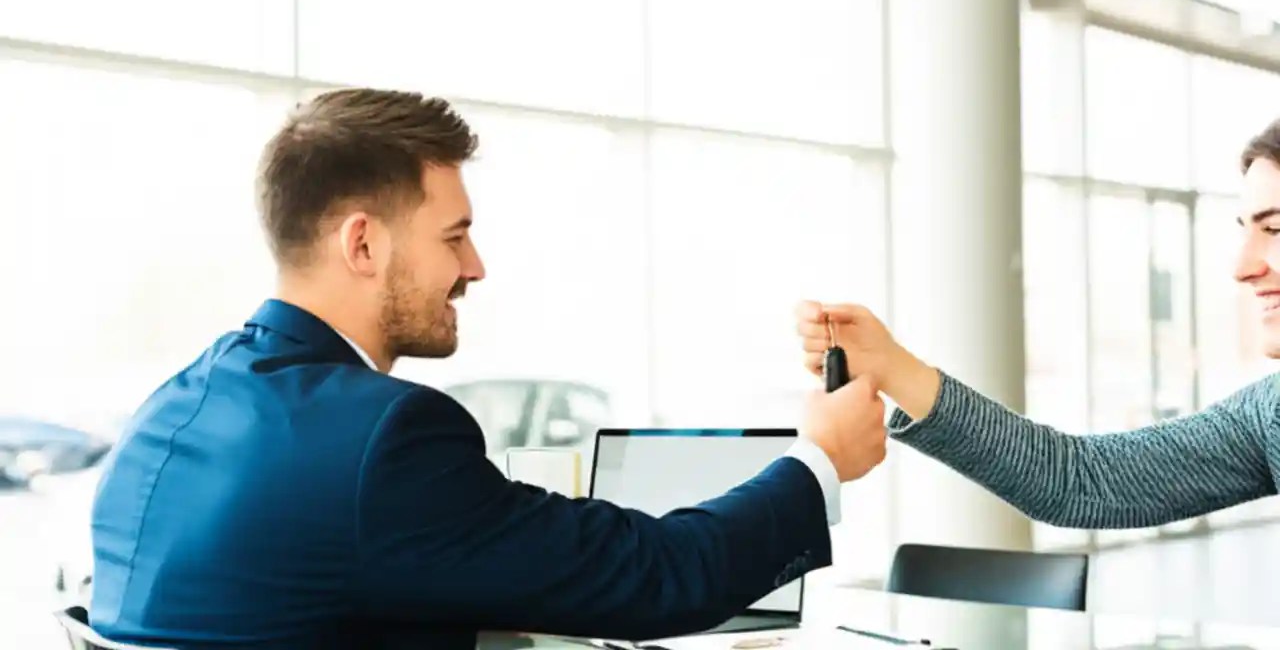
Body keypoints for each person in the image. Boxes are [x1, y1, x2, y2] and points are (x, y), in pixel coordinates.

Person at [89, 88, 889, 650]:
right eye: (453, 235)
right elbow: (657, 577)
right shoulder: (387, 439)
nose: (475, 265)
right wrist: (819, 459)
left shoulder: (171, 409)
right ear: (362, 244)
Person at [794, 118, 1280, 531]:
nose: (1243, 267)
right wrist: (891, 367)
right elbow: (1079, 481)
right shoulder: (1270, 415)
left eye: (1274, 229)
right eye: (1247, 231)